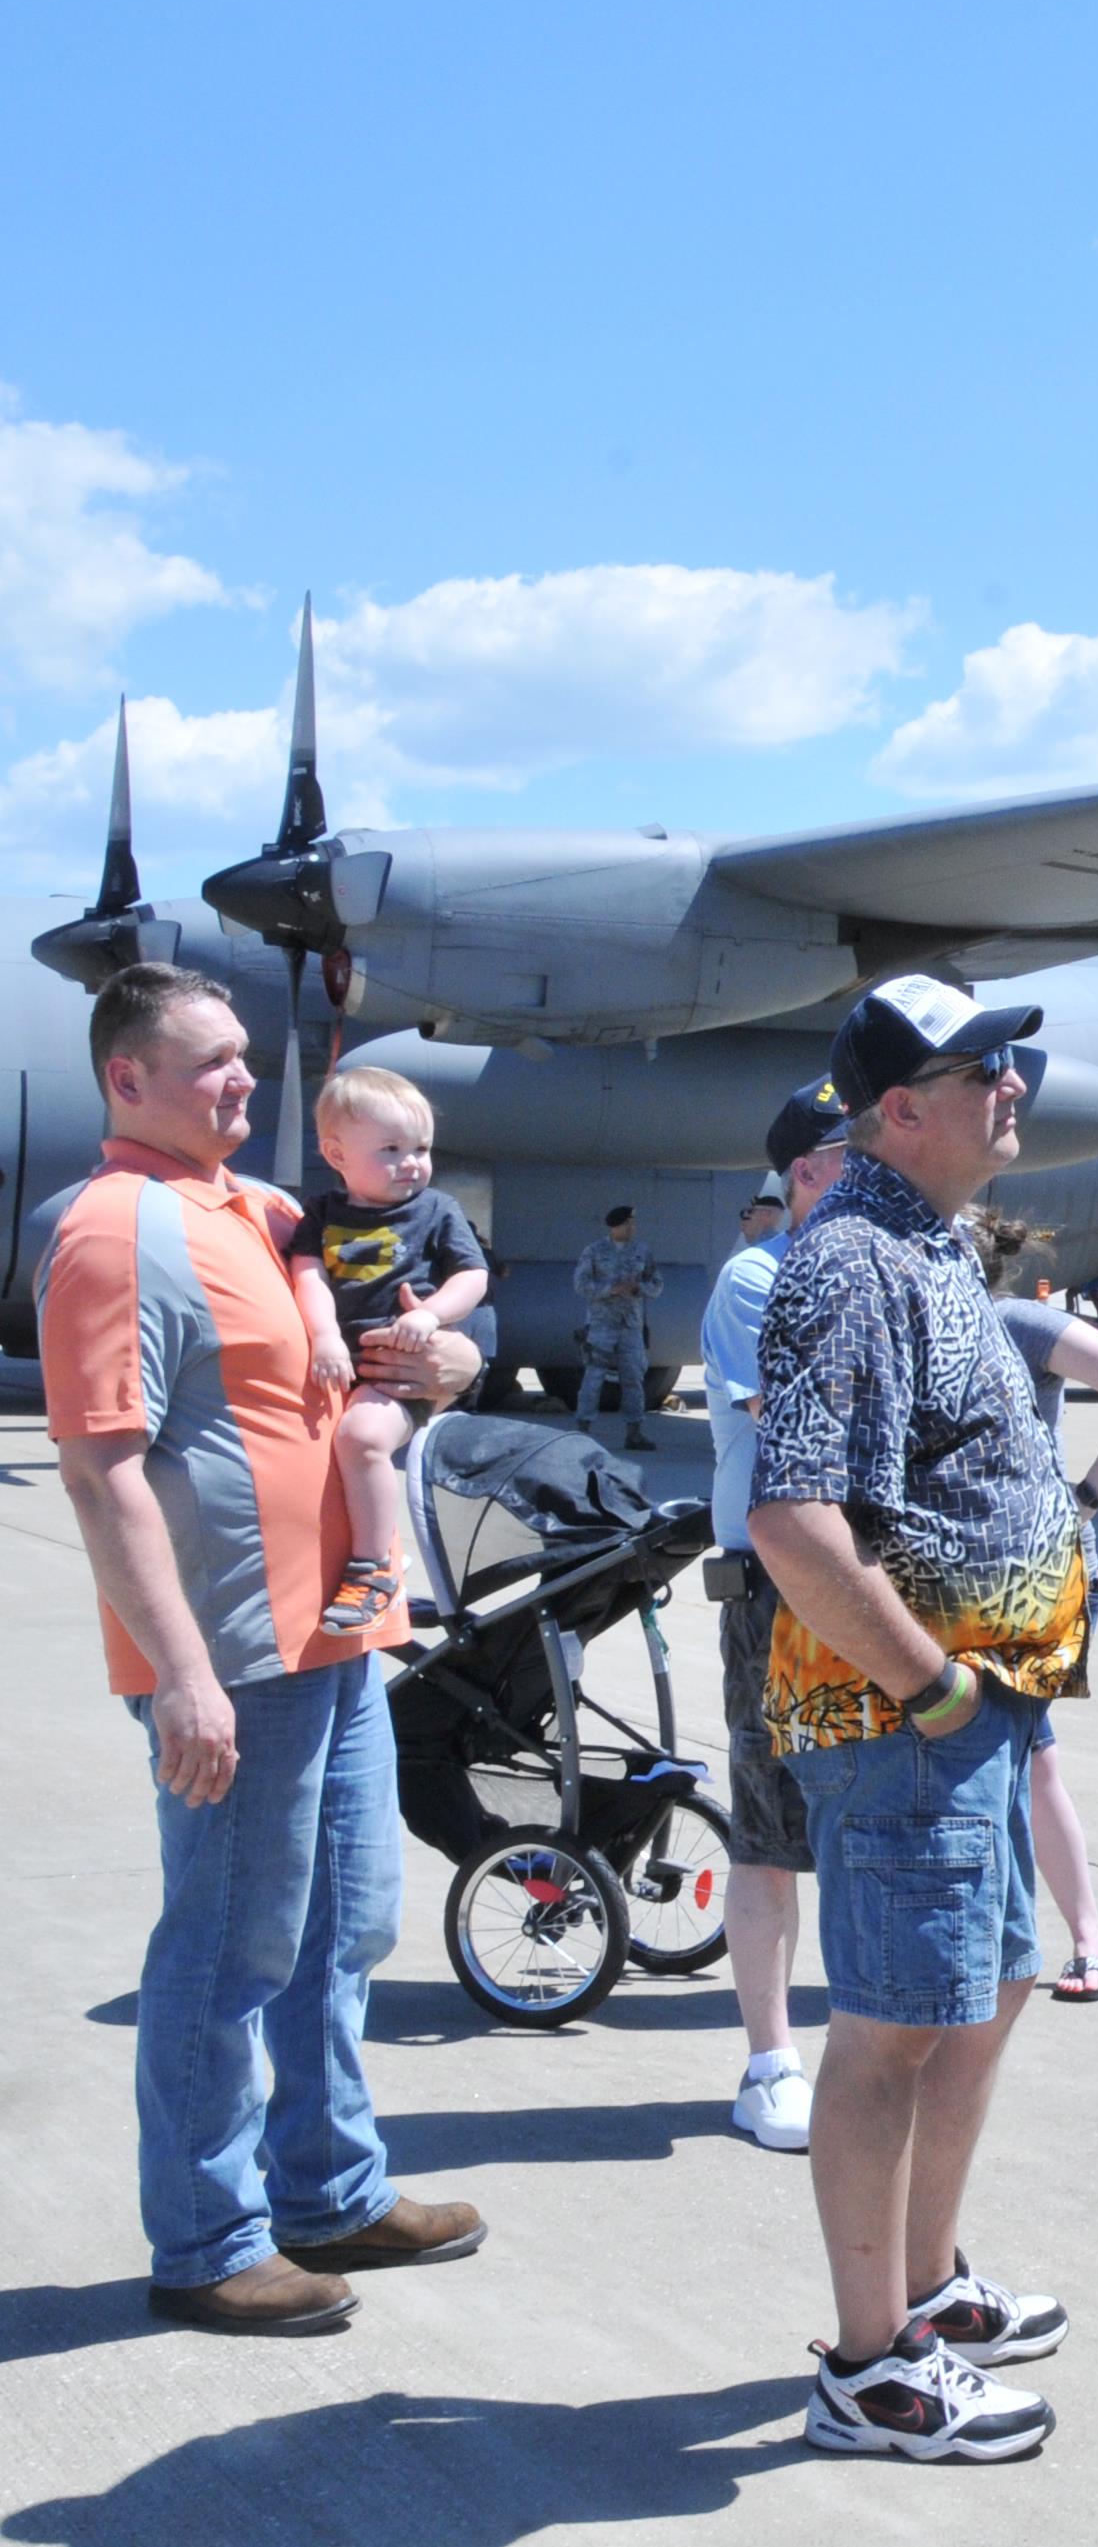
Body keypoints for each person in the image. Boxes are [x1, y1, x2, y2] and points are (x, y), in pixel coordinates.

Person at [43, 963, 493, 2334]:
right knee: (233, 1946)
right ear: (129, 1080)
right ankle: (207, 2237)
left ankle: (329, 2184)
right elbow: (102, 1466)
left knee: (344, 1924)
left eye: (246, 1056)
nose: (245, 1082)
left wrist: (449, 1367)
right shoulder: (113, 1232)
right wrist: (178, 1671)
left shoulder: (275, 1212)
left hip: (342, 1635)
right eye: (210, 1064)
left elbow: (387, 1353)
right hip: (235, 1654)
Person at [748, 975, 1083, 2462]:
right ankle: (871, 2367)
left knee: (982, 1996)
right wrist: (932, 1689)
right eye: (982, 1068)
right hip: (909, 1726)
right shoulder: (849, 1268)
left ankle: (930, 2289)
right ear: (900, 1107)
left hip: (980, 1713)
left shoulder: (927, 1245)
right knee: (886, 2035)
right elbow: (795, 1521)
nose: (1015, 1084)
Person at [697, 1078, 853, 2153]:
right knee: (767, 1833)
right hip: (779, 1582)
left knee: (861, 1827)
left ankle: (863, 2055)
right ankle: (768, 2065)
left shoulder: (869, 1269)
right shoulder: (759, 1279)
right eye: (857, 1156)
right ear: (807, 1173)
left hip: (865, 1583)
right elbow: (813, 1413)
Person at [963, 1208, 1098, 2004]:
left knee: (1007, 1754)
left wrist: (1085, 1497)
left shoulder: (1013, 1321)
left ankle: (1037, 1939)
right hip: (979, 1576)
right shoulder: (929, 1327)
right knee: (1026, 1753)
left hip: (1038, 1572)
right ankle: (1079, 1933)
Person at [285, 1065, 489, 1634]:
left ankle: (376, 1567)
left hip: (398, 1372)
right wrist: (324, 1334)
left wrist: (430, 1314)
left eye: (421, 1148)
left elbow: (472, 1276)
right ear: (336, 1153)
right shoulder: (322, 1214)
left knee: (361, 1439)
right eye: (392, 1149)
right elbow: (308, 1277)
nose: (412, 1162)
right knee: (338, 1448)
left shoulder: (436, 1210)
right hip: (343, 1365)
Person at [571, 1204, 664, 1450]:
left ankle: (634, 1431)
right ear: (614, 1227)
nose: (632, 1228)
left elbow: (656, 1283)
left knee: (634, 1378)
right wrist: (610, 1289)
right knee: (593, 1378)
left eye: (633, 1223)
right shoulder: (594, 1251)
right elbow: (581, 1285)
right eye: (627, 1224)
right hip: (602, 1325)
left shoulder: (642, 1252)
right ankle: (583, 1429)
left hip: (631, 1326)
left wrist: (639, 1289)